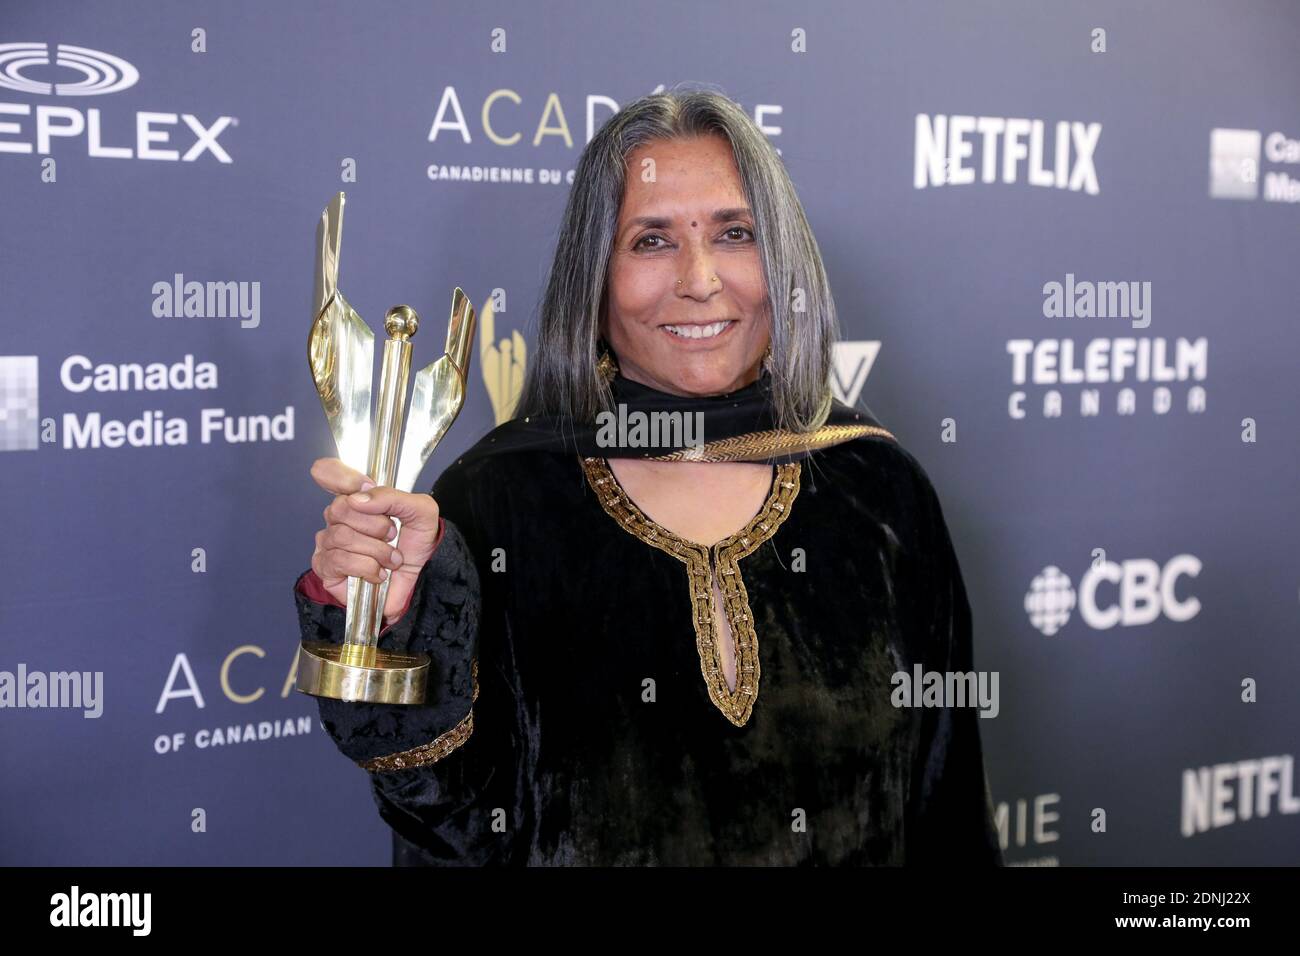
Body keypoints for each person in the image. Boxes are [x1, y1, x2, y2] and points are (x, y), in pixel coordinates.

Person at [293, 88, 1003, 866]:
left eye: (735, 233)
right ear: (593, 277)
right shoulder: (494, 504)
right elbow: (449, 823)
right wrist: (383, 624)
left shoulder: (877, 487)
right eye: (652, 241)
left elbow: (948, 806)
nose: (699, 280)